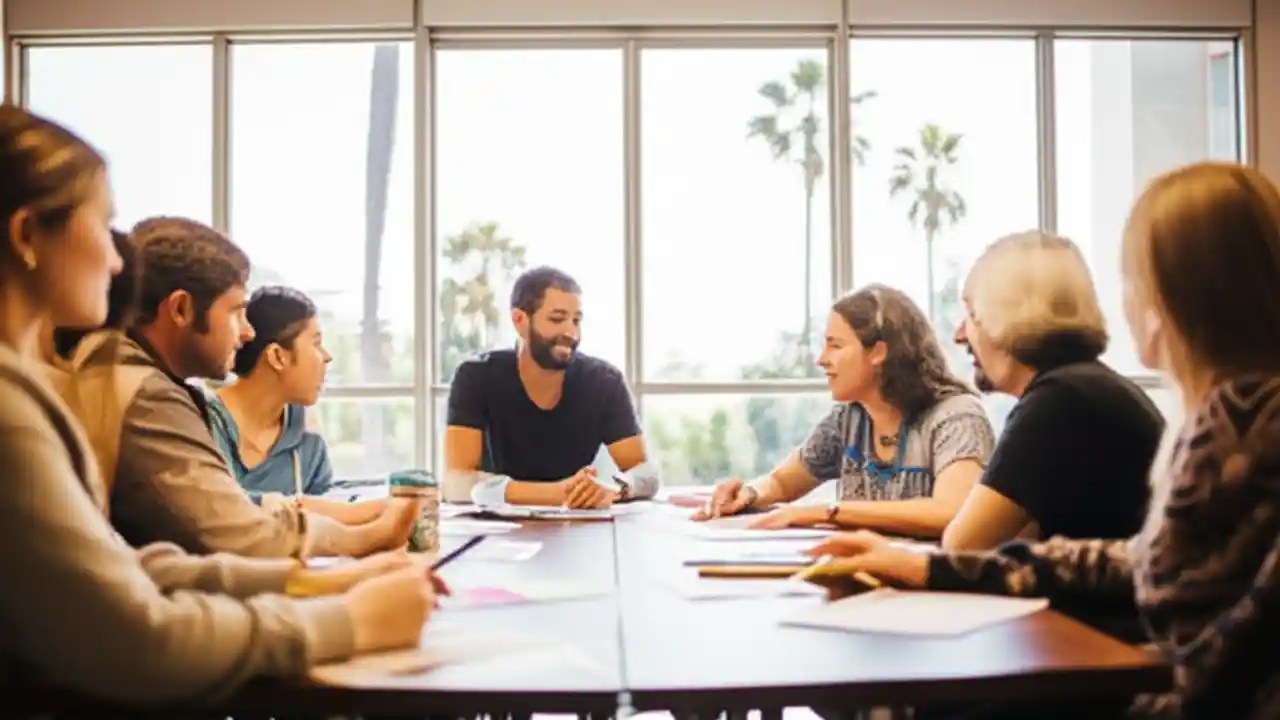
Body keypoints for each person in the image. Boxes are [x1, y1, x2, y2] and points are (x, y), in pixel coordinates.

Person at [805, 162, 1280, 719]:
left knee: (890, 697)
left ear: (1171, 299)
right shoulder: (1237, 412)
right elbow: (1144, 562)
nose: (1124, 306)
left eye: (1133, 283)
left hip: (1157, 690)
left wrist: (932, 567)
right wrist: (924, 568)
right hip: (1140, 670)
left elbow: (1200, 633)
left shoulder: (1235, 421)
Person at [0, 105, 437, 706]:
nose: (117, 259)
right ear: (27, 235)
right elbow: (136, 637)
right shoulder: (19, 411)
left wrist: (310, 583)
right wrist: (348, 621)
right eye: (102, 225)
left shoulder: (38, 389)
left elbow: (122, 567)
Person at [64, 215, 416, 558]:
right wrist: (361, 539)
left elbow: (218, 511)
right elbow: (232, 530)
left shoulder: (121, 371)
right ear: (182, 309)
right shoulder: (146, 396)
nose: (248, 333)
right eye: (236, 312)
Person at [697, 284, 995, 539]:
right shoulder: (848, 419)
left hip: (935, 594)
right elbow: (781, 482)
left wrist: (826, 512)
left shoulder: (956, 416)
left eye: (835, 346)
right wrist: (749, 494)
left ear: (878, 352)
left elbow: (953, 511)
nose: (821, 360)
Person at [940, 231, 1164, 550]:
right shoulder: (1090, 388)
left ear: (1007, 317)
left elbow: (962, 547)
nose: (960, 335)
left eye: (972, 316)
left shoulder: (1058, 403)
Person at [444, 266, 659, 508]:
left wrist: (618, 486)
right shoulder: (476, 376)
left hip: (576, 529)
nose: (571, 332)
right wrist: (557, 493)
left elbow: (646, 473)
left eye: (576, 320)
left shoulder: (604, 381)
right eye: (557, 319)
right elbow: (457, 481)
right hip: (495, 533)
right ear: (519, 321)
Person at [206, 285, 385, 526]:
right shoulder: (203, 421)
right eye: (316, 343)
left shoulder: (306, 437)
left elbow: (326, 521)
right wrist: (360, 512)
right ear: (278, 356)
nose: (327, 356)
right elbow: (221, 512)